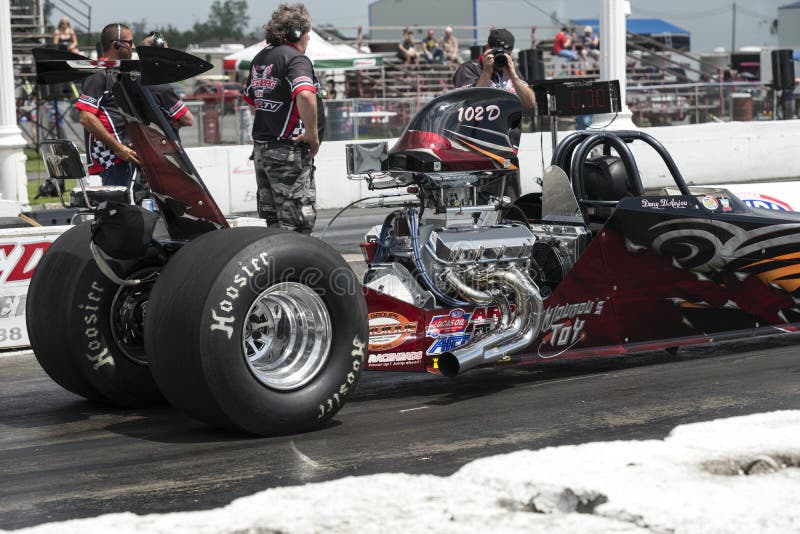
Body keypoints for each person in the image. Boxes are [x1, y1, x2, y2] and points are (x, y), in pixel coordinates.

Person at [242, 3, 324, 234]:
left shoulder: (260, 58)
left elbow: (251, 101)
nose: (309, 38)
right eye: (308, 33)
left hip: (262, 151)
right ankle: (296, 271)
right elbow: (306, 95)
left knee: (273, 225)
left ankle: (276, 270)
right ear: (297, 33)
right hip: (287, 151)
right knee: (297, 225)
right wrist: (312, 134)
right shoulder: (296, 59)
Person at [452, 28, 535, 201]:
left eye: (506, 54)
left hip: (508, 151)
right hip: (477, 151)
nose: (500, 58)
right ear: (486, 47)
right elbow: (469, 103)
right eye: (496, 52)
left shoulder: (512, 72)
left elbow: (530, 103)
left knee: (510, 202)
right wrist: (487, 73)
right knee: (481, 202)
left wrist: (512, 74)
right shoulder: (469, 69)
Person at [75, 23, 139, 187]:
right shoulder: (98, 73)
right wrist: (118, 148)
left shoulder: (115, 72)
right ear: (116, 44)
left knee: (130, 206)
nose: (133, 47)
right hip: (111, 157)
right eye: (130, 42)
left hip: (123, 154)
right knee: (117, 209)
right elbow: (86, 117)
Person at [140, 31, 194, 138]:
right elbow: (189, 120)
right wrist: (175, 123)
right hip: (163, 147)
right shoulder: (162, 89)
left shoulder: (136, 82)